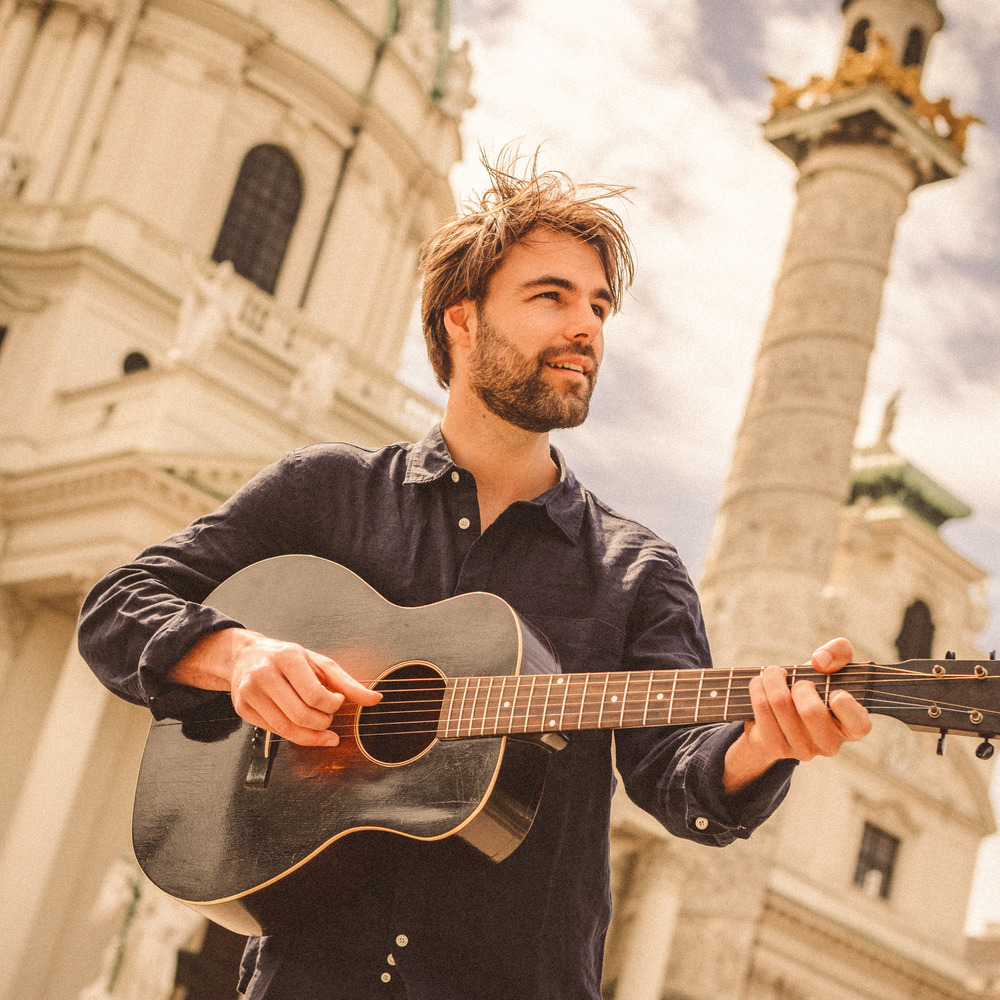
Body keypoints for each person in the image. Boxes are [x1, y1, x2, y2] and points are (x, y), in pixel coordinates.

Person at [78, 154, 871, 1000]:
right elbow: (116, 608)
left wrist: (764, 745)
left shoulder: (638, 572)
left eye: (599, 306)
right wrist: (236, 658)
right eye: (551, 297)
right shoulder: (326, 492)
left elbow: (680, 781)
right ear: (462, 320)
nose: (588, 327)